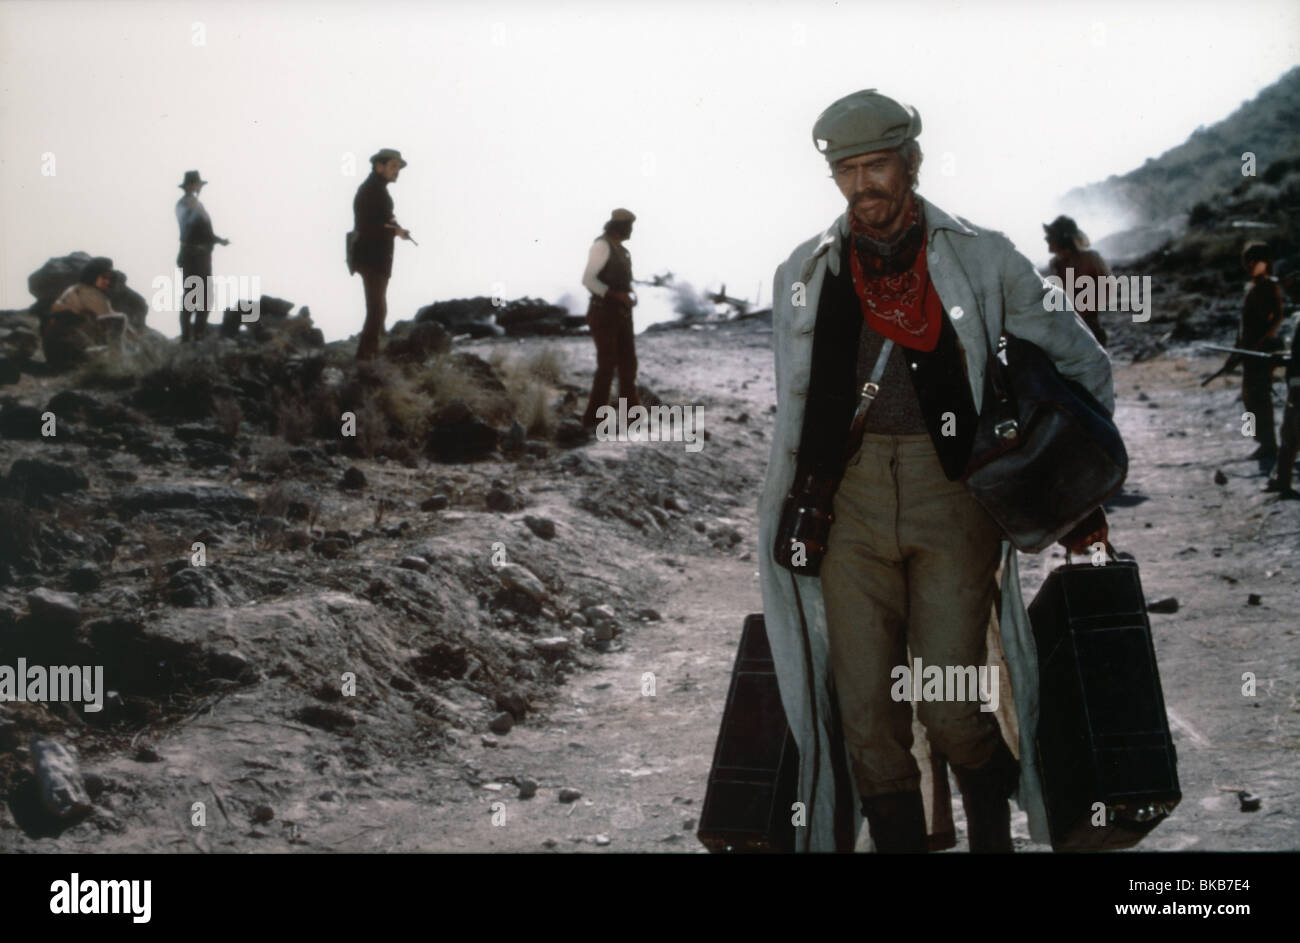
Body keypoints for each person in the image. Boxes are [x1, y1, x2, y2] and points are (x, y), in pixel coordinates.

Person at [757, 90, 1114, 853]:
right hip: (844, 504)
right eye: (846, 172)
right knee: (866, 718)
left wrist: (1072, 486)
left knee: (950, 706)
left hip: (951, 494)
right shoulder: (805, 270)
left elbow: (1083, 361)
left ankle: (992, 827)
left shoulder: (983, 257)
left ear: (911, 164)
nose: (863, 187)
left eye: (877, 166)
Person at [580, 208, 640, 427]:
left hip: (621, 315)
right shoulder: (601, 246)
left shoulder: (623, 251)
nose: (632, 231)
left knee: (628, 365)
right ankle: (592, 420)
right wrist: (616, 295)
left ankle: (631, 418)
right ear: (620, 227)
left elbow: (623, 282)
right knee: (607, 365)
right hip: (603, 313)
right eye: (629, 226)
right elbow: (588, 280)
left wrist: (630, 295)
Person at [352, 148, 411, 360]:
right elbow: (367, 226)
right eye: (393, 166)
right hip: (371, 257)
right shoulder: (371, 191)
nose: (397, 171)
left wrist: (397, 229)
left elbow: (386, 220)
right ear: (379, 166)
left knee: (378, 309)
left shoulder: (379, 191)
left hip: (376, 257)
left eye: (398, 168)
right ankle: (366, 358)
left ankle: (370, 354)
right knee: (377, 310)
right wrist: (394, 230)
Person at [1237, 241, 1285, 471]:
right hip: (1249, 351)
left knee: (1260, 398)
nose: (1250, 266)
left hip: (1261, 352)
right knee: (1249, 397)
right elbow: (1245, 325)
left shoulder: (1268, 286)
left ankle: (1269, 444)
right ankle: (1262, 441)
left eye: (1254, 261)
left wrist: (1263, 341)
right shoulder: (1253, 287)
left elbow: (1277, 315)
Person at [41, 256, 131, 368]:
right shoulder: (90, 293)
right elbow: (108, 318)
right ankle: (117, 364)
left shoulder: (75, 289)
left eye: (110, 279)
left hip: (53, 354)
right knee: (119, 320)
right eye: (104, 277)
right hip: (68, 354)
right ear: (93, 275)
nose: (107, 282)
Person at [175, 170, 230, 342]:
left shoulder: (186, 204)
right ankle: (195, 336)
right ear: (192, 186)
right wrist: (217, 240)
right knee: (201, 297)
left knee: (194, 295)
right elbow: (201, 230)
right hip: (196, 257)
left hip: (193, 255)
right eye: (197, 184)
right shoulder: (191, 205)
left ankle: (190, 335)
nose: (199, 187)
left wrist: (216, 240)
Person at [1044, 215, 1111, 347]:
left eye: (1051, 236)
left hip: (1088, 326)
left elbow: (1106, 287)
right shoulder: (1056, 264)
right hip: (1067, 328)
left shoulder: (1090, 259)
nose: (1047, 240)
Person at [1262, 312, 1299, 499]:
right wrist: (1284, 357)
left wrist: (1288, 359)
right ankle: (1282, 482)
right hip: (1295, 388)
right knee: (1288, 437)